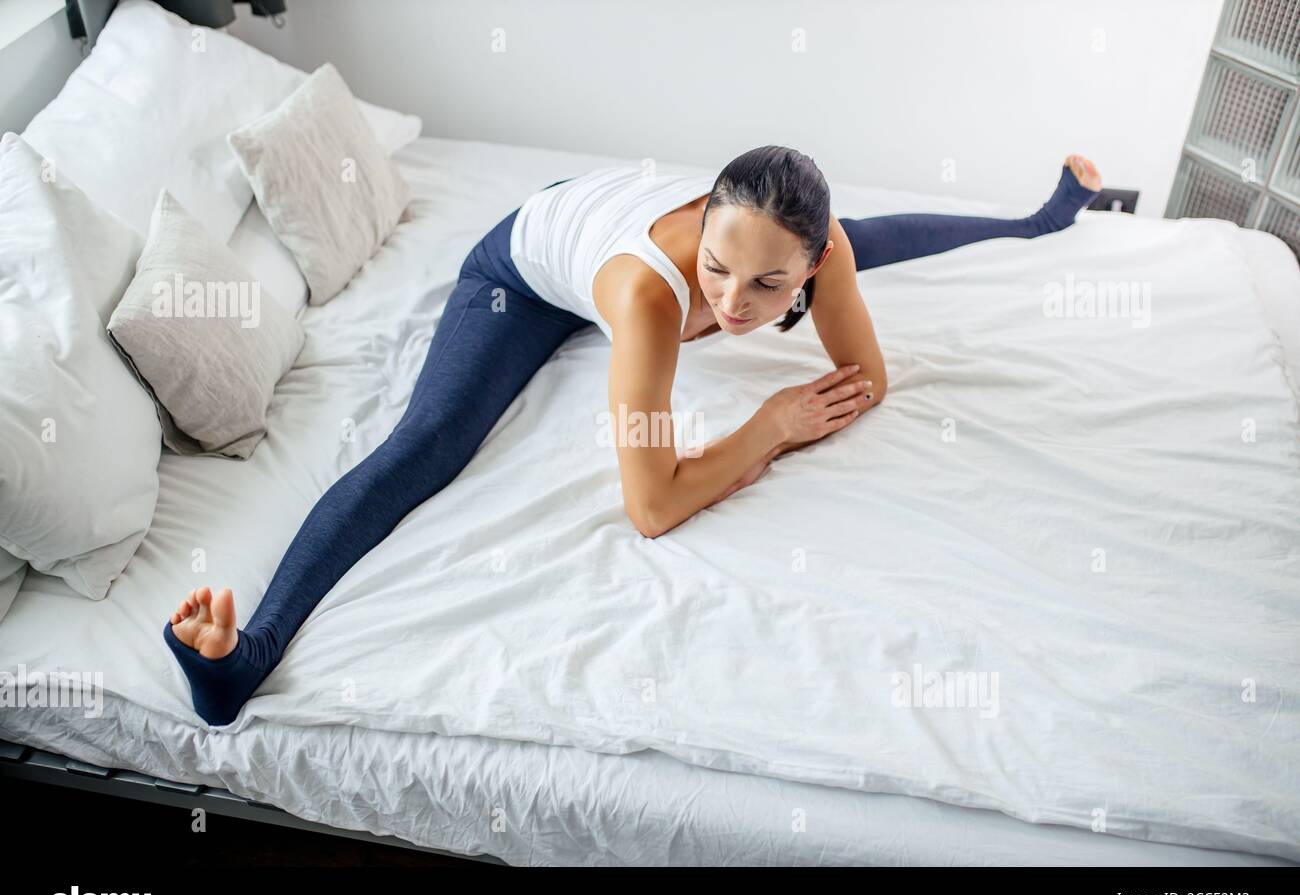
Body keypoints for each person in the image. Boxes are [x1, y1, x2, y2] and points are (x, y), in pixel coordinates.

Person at [164, 146, 1102, 725]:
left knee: (882, 235)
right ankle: (242, 663)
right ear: (703, 226)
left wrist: (830, 294)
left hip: (629, 218)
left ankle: (1039, 218)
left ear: (815, 260)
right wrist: (771, 427)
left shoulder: (822, 251)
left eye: (772, 286)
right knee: (429, 442)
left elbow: (870, 378)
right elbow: (651, 508)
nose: (734, 305)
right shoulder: (653, 293)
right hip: (524, 269)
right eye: (721, 267)